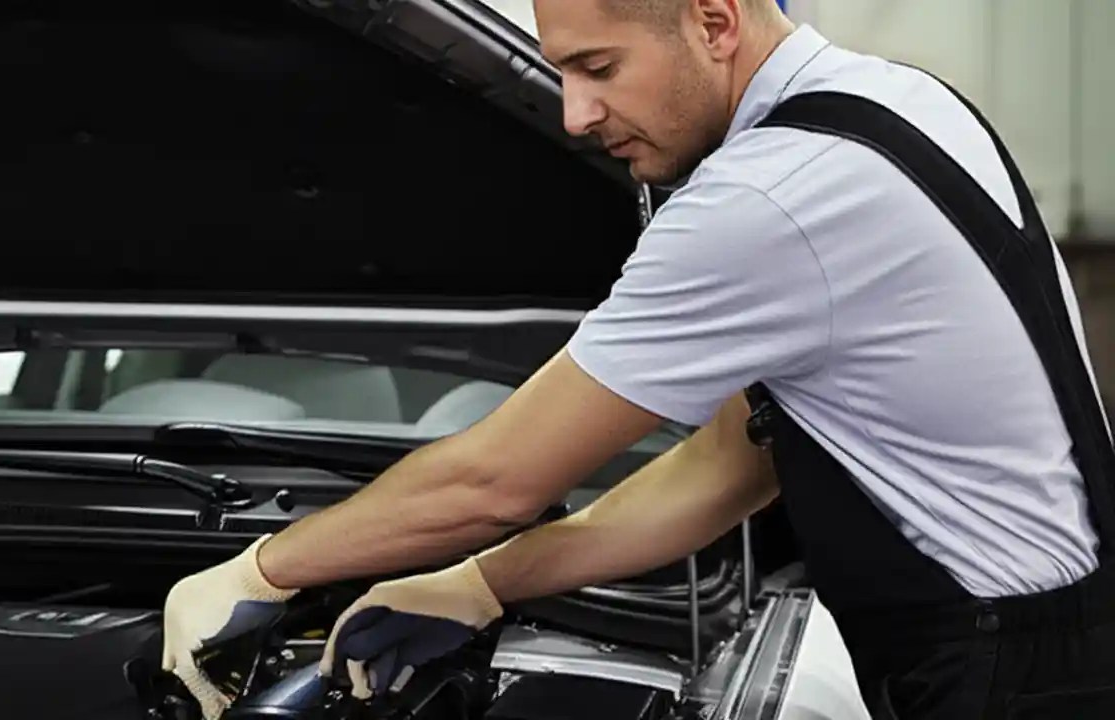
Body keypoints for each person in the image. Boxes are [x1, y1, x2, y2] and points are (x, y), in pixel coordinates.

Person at [161, 0, 1115, 717]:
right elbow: (735, 463)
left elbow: (492, 480)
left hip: (1010, 676)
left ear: (712, 20)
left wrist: (259, 573)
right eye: (562, 73)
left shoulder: (768, 198)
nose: (577, 114)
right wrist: (483, 583)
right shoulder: (893, 100)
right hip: (1052, 648)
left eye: (600, 68)